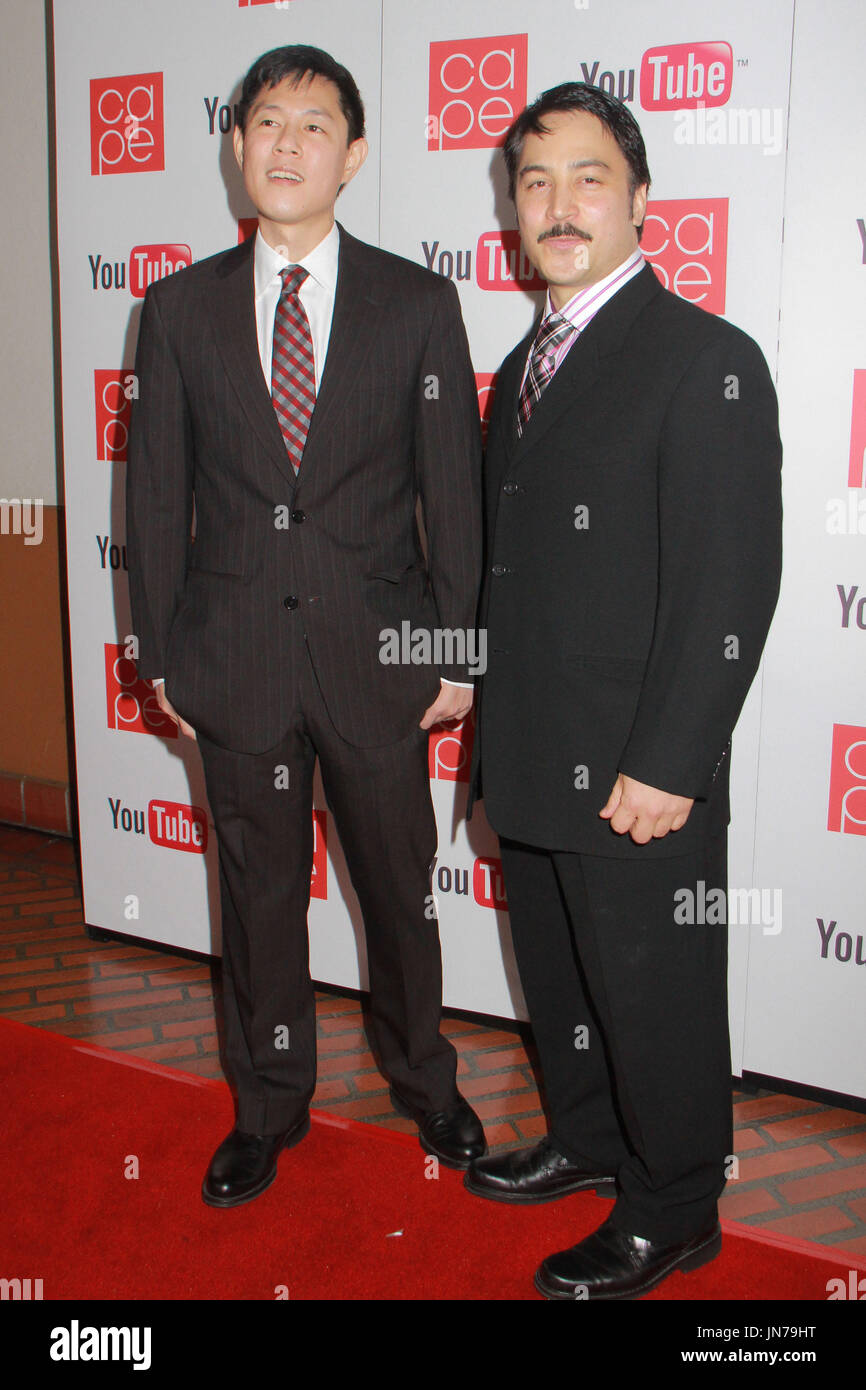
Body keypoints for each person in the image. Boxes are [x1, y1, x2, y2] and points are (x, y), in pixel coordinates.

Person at [126, 44, 485, 1208]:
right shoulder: (174, 310)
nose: (286, 143)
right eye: (264, 122)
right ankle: (268, 1106)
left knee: (399, 892)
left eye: (313, 125)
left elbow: (454, 492)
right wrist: (162, 655)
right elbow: (154, 498)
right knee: (259, 897)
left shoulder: (416, 303)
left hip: (381, 664)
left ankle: (424, 1078)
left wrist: (454, 649)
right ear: (236, 148)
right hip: (231, 662)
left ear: (354, 153)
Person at [465, 82, 782, 1299]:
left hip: (638, 769)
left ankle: (675, 1202)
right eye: (533, 181)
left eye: (586, 177)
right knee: (562, 983)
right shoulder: (522, 360)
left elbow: (728, 587)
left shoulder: (704, 358)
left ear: (639, 199)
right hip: (533, 753)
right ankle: (589, 1142)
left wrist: (670, 761)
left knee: (654, 996)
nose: (557, 204)